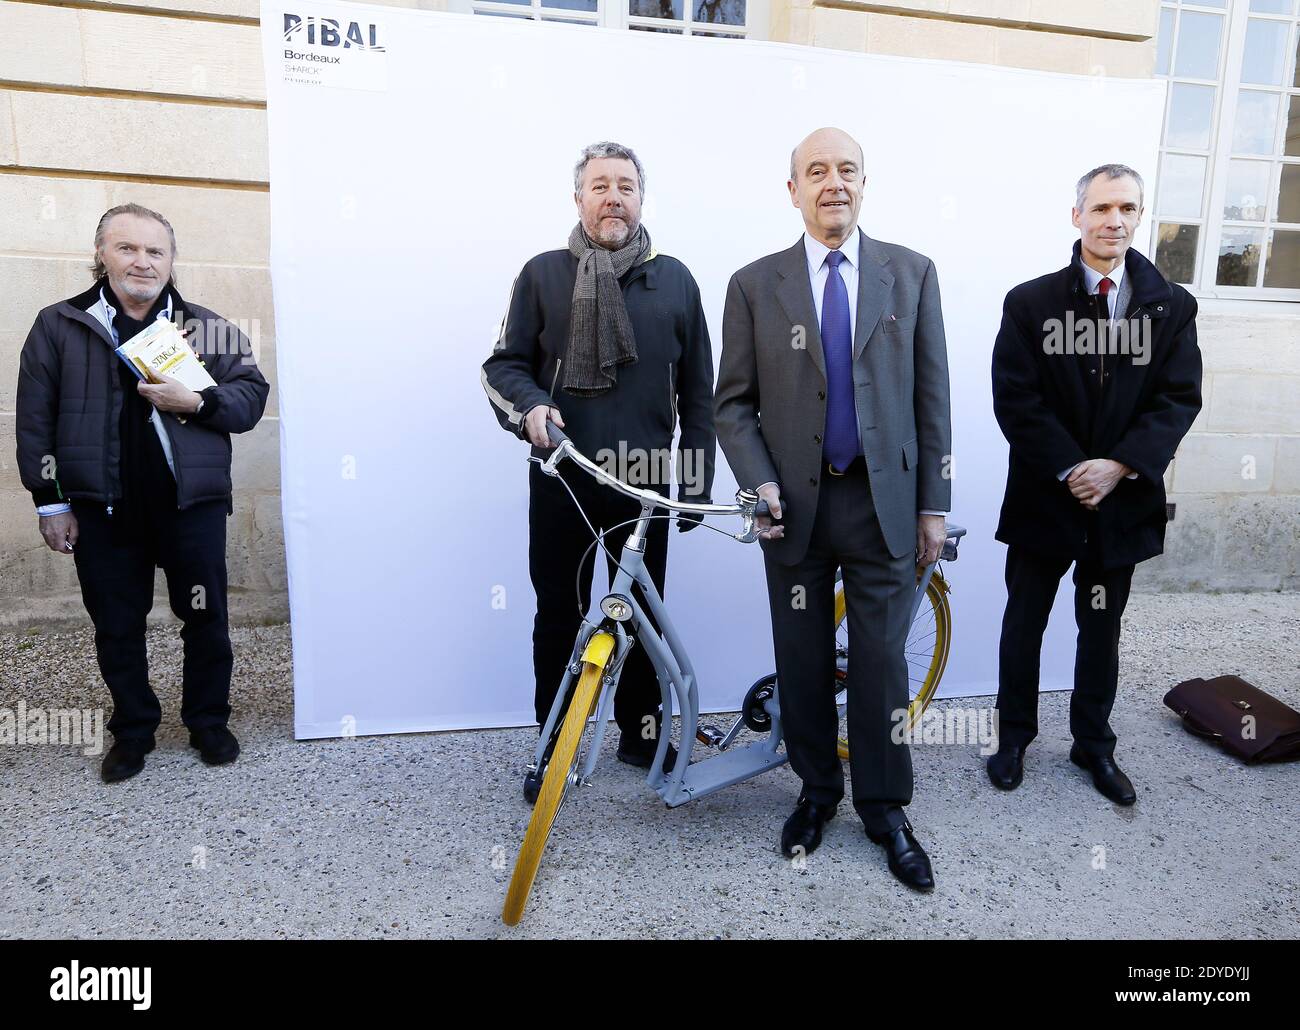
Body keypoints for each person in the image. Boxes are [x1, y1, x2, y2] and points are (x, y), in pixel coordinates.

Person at [714, 127, 952, 891]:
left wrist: (934, 507)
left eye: (846, 169)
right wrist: (759, 485)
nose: (833, 182)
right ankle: (817, 793)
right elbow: (732, 406)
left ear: (863, 182)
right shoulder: (755, 284)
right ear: (793, 190)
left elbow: (932, 399)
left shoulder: (911, 274)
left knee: (880, 666)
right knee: (804, 662)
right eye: (815, 171)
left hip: (884, 504)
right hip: (795, 510)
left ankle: (885, 810)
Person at [481, 142, 716, 801]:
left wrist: (691, 488)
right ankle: (553, 746)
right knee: (560, 616)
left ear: (642, 199)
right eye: (600, 185)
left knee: (642, 615)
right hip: (564, 477)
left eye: (627, 186)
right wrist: (530, 408)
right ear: (578, 198)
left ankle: (641, 737)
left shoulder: (675, 280)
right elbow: (502, 366)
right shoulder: (542, 274)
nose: (614, 196)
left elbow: (699, 394)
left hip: (645, 484)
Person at [15, 203, 270, 783]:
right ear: (100, 255)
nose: (142, 261)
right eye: (127, 248)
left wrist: (198, 402)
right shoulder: (60, 324)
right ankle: (133, 730)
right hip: (102, 509)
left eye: (156, 251)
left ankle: (208, 721)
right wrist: (50, 502)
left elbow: (251, 396)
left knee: (205, 618)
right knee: (116, 623)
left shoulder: (204, 326)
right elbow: (35, 420)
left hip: (191, 506)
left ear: (171, 261)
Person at [987, 164, 1202, 805]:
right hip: (1045, 497)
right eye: (1102, 207)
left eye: (1128, 209)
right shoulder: (1031, 303)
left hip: (1122, 500)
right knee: (1025, 622)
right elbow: (1016, 398)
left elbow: (1176, 400)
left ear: (1139, 218)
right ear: (1076, 215)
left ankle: (1093, 745)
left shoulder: (1171, 305)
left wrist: (1119, 467)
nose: (1115, 220)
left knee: (1100, 627)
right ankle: (1012, 740)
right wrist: (1072, 468)